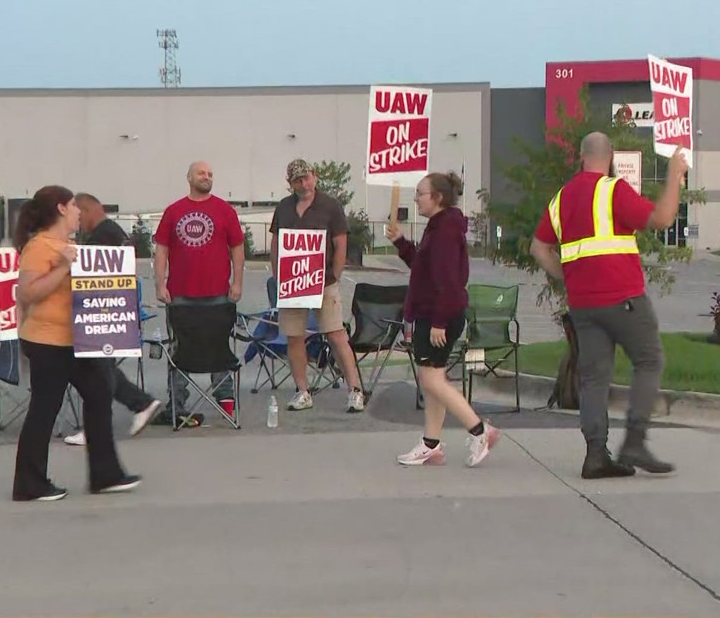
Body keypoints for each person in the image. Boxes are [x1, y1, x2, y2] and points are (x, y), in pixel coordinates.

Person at [529, 133, 688, 479]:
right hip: (623, 297)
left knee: (594, 378)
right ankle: (634, 440)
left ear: (581, 157)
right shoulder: (613, 191)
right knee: (649, 359)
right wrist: (674, 175)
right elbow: (662, 219)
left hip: (583, 305)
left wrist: (567, 275)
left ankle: (596, 455)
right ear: (610, 157)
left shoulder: (560, 199)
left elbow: (538, 248)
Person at [11, 185, 140, 502]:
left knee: (99, 393)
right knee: (45, 408)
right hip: (46, 341)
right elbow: (27, 293)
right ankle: (29, 483)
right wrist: (63, 266)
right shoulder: (39, 247)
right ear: (60, 209)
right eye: (73, 206)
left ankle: (105, 474)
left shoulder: (69, 243)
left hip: (78, 339)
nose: (79, 211)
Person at [387, 172, 502, 467]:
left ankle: (480, 430)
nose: (416, 199)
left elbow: (448, 280)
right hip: (433, 312)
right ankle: (431, 444)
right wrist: (401, 242)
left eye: (420, 193)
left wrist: (439, 321)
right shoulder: (437, 227)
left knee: (431, 379)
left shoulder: (445, 230)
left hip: (438, 314)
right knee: (433, 380)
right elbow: (423, 268)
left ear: (437, 197)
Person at [59, 192, 165, 446]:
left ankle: (124, 412)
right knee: (99, 368)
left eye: (79, 214)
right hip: (115, 310)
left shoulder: (102, 236)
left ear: (88, 210)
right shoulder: (116, 233)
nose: (79, 222)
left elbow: (89, 278)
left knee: (96, 370)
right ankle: (139, 404)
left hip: (100, 313)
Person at [268, 159, 365, 413]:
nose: (304, 183)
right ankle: (302, 391)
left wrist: (335, 273)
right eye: (298, 180)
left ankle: (355, 390)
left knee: (336, 334)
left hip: (324, 282)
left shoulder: (330, 206)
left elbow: (341, 242)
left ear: (315, 176)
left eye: (307, 177)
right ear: (290, 184)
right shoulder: (284, 207)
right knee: (294, 336)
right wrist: (278, 274)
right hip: (293, 283)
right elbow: (277, 242)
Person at [152, 161, 244, 425]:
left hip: (218, 295)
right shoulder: (174, 211)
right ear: (189, 177)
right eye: (202, 173)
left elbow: (237, 248)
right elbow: (162, 249)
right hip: (180, 296)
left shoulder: (224, 211)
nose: (207, 177)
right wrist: (160, 284)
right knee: (179, 349)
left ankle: (226, 400)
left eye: (211, 174)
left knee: (219, 346)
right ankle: (177, 404)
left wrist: (237, 283)